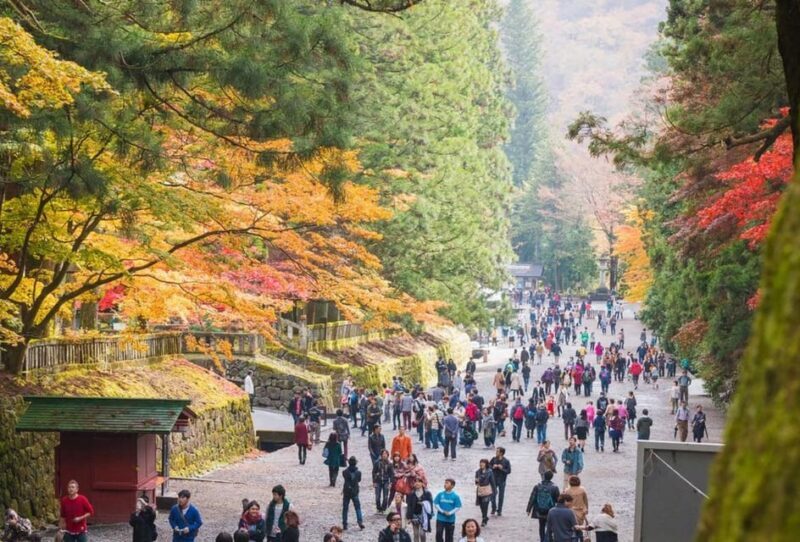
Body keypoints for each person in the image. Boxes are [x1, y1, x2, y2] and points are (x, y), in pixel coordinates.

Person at [527, 471, 560, 542]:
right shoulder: (555, 487)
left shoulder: (537, 486)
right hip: (550, 510)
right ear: (552, 477)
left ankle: (542, 539)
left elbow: (532, 498)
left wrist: (528, 509)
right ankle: (549, 539)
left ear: (544, 476)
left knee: (541, 526)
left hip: (540, 510)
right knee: (550, 526)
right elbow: (558, 500)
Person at [341, 457, 365, 531]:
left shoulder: (344, 472)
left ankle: (345, 523)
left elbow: (345, 477)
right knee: (357, 508)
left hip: (347, 492)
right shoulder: (358, 473)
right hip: (355, 492)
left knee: (345, 508)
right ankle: (360, 521)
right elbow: (359, 480)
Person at [406, 478, 433, 542]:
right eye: (415, 482)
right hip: (414, 515)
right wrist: (409, 517)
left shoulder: (427, 493)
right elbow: (409, 506)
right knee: (416, 534)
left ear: (422, 483)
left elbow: (430, 504)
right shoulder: (411, 493)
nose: (417, 483)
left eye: (419, 482)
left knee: (422, 534)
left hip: (424, 516)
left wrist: (430, 514)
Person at [488, 447, 511, 517]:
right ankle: (493, 508)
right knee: (492, 495)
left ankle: (499, 510)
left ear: (501, 453)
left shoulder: (506, 461)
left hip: (502, 480)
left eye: (497, 451)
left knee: (501, 496)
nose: (496, 452)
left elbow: (508, 471)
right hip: (493, 480)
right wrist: (493, 467)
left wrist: (502, 469)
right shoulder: (493, 459)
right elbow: (488, 466)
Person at [473, 459, 495, 527]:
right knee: (481, 506)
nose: (481, 464)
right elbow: (476, 482)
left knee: (485, 505)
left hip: (487, 490)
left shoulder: (489, 472)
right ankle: (485, 517)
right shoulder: (477, 472)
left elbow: (492, 481)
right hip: (480, 490)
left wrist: (494, 490)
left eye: (483, 463)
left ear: (486, 464)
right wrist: (477, 481)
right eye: (480, 463)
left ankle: (484, 519)